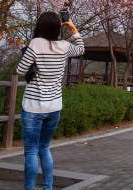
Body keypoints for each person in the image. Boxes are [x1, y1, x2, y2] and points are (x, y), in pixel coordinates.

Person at [16, 11, 84, 190]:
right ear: (58, 27)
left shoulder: (36, 44)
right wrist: (73, 27)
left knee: (31, 150)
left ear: (41, 26)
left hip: (33, 106)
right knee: (44, 149)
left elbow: (20, 70)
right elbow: (81, 49)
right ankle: (48, 187)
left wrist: (31, 61)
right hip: (54, 106)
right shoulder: (64, 46)